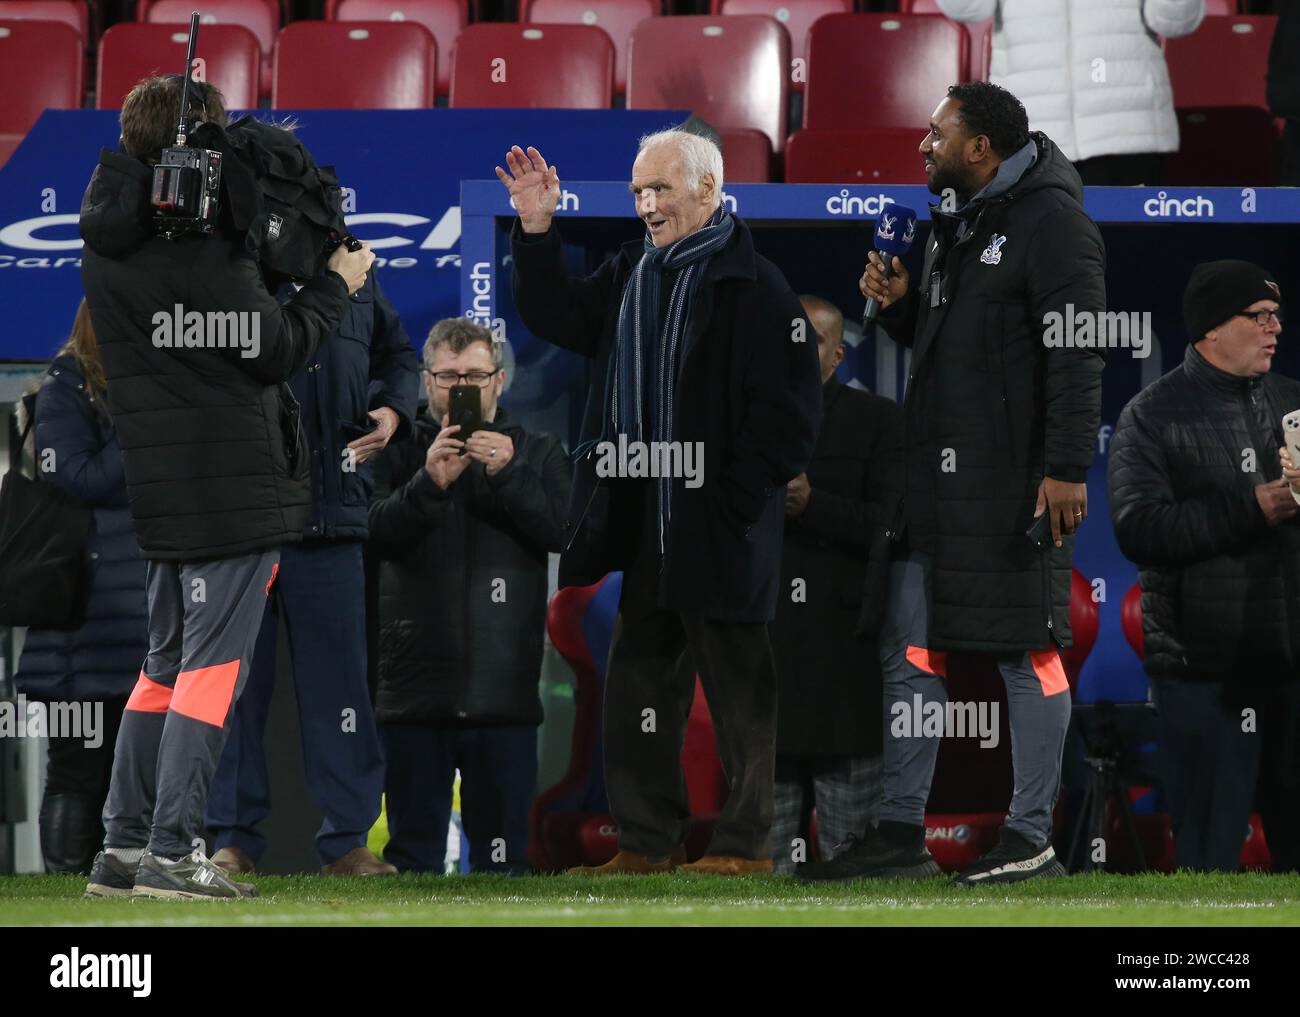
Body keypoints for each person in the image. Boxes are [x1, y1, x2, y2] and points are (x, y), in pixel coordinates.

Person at [800, 82, 1105, 885]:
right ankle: (901, 834)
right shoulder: (953, 221)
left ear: (982, 147)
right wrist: (902, 308)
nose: (922, 146)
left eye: (937, 135)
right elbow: (959, 345)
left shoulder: (1055, 224)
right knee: (912, 652)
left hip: (1011, 487)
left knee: (1028, 654)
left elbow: (1077, 355)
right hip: (930, 485)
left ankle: (1030, 836)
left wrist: (1068, 467)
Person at [79, 75, 374, 899]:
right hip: (231, 486)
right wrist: (335, 287)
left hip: (166, 486)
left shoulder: (107, 235)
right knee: (207, 672)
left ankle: (124, 847)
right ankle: (172, 851)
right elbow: (274, 345)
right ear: (192, 145)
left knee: (164, 666)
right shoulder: (193, 243)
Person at [498, 131, 822, 876]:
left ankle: (745, 846)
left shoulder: (757, 286)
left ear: (707, 190)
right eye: (638, 191)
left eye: (661, 190)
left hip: (719, 523)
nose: (646, 205)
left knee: (741, 694)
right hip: (647, 520)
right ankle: (647, 841)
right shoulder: (631, 273)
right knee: (640, 681)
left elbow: (790, 414)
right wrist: (538, 231)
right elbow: (561, 318)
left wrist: (735, 501)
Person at [205, 235, 419, 879]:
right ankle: (233, 839)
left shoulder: (357, 268)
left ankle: (348, 842)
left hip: (334, 517)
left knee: (342, 688)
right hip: (247, 522)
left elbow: (400, 355)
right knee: (236, 690)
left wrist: (392, 410)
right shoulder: (229, 264)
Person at [1110, 260, 1300, 873]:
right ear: (1212, 330)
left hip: (1292, 664)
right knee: (1209, 863)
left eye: (1277, 316)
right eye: (1259, 316)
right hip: (1204, 670)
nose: (1275, 328)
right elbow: (1140, 530)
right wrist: (1257, 505)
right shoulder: (1152, 414)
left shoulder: (1293, 399)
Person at [368, 318, 571, 874]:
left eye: (476, 376)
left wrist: (509, 472)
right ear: (427, 381)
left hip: (502, 691)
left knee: (503, 868)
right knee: (412, 862)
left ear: (500, 381)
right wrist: (426, 485)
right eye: (449, 376)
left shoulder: (538, 451)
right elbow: (370, 535)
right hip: (412, 692)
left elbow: (563, 532)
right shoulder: (394, 450)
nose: (463, 388)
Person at [769, 296, 903, 874]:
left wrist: (813, 505)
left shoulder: (877, 421)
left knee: (852, 862)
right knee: (766, 867)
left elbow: (895, 527)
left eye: (809, 340)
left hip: (845, 664)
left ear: (837, 354)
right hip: (764, 665)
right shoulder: (744, 423)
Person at [13, 301, 146, 875]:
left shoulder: (146, 389)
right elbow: (78, 476)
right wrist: (145, 427)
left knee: (140, 766)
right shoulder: (64, 389)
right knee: (79, 762)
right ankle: (67, 879)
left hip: (142, 614)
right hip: (82, 618)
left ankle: (134, 875)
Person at [936, 0, 1205, 185]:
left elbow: (1175, 22)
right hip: (1029, 140)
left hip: (1126, 133)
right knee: (1036, 260)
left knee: (1130, 257)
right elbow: (968, 7)